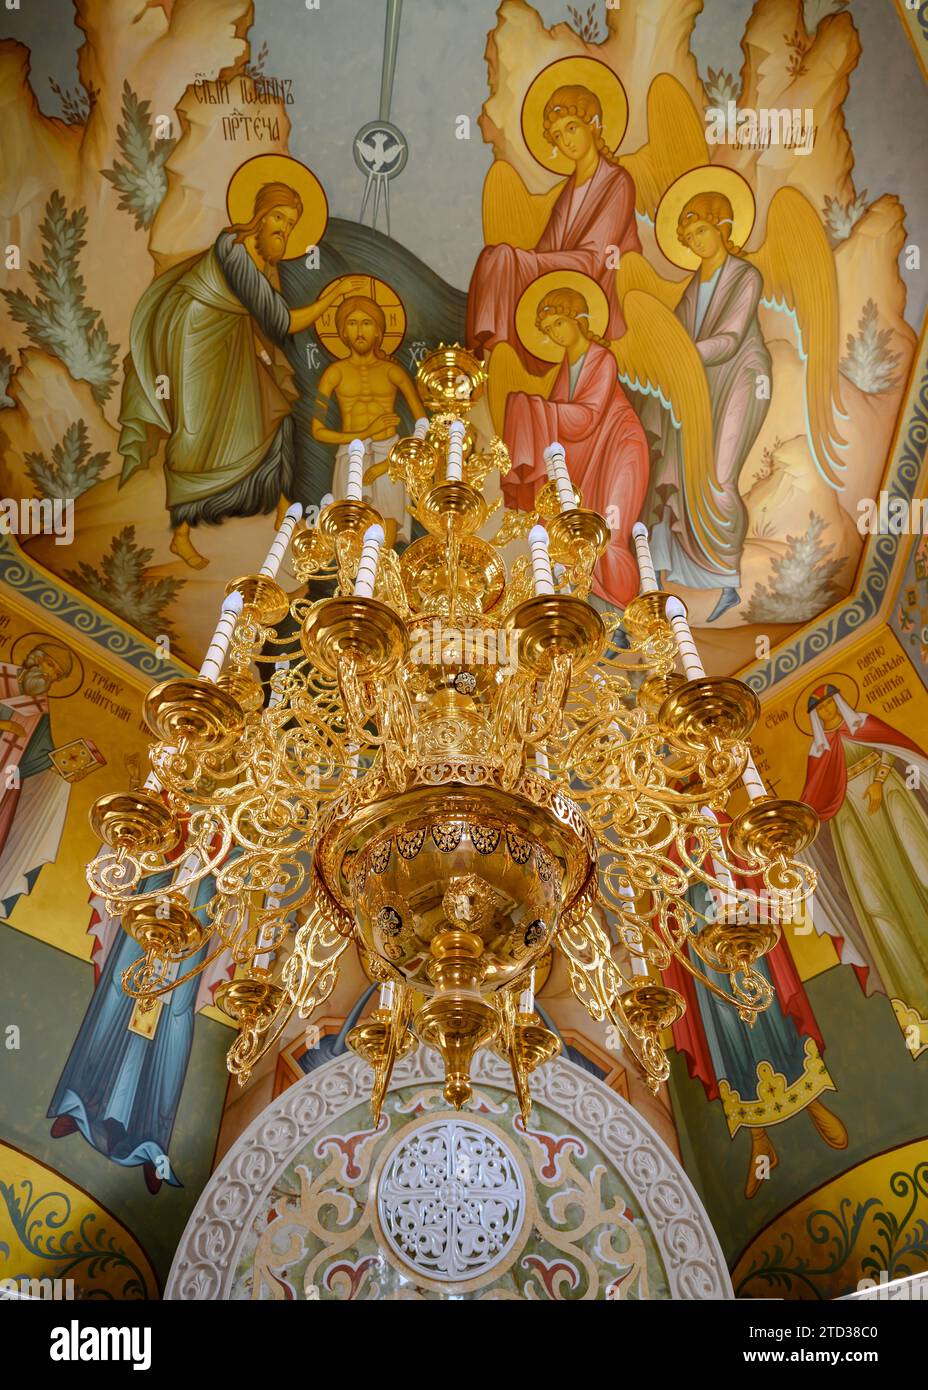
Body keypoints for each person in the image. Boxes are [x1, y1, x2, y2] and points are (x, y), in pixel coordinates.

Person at [117, 179, 366, 568]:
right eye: (278, 218)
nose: (284, 229)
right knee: (196, 435)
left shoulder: (263, 261)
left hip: (231, 338)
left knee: (276, 414)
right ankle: (181, 534)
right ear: (260, 215)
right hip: (195, 337)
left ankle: (286, 514)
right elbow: (279, 319)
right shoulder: (233, 249)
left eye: (291, 224)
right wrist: (330, 298)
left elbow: (266, 318)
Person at [644, 191, 771, 622]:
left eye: (700, 230)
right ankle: (661, 578)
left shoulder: (744, 276)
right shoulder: (692, 289)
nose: (695, 240)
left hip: (740, 378)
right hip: (695, 386)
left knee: (718, 477)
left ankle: (728, 580)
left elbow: (732, 337)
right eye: (688, 235)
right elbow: (673, 337)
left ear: (724, 228)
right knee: (679, 472)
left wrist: (679, 355)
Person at [466, 84, 640, 367]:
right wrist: (523, 261)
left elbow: (596, 258)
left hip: (597, 291)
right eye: (558, 135)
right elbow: (546, 250)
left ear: (594, 125)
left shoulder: (617, 182)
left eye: (572, 128)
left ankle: (497, 352)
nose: (566, 141)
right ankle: (493, 355)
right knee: (495, 256)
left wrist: (521, 261)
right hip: (563, 283)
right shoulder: (567, 192)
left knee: (504, 258)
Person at [501, 285, 649, 608]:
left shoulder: (602, 359)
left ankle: (623, 615)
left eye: (558, 323)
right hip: (585, 461)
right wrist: (533, 410)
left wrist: (534, 408)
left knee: (611, 532)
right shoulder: (565, 371)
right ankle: (590, 615)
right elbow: (557, 437)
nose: (554, 334)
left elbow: (587, 418)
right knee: (572, 533)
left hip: (619, 448)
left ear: (577, 319)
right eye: (548, 329)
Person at [800, 683, 928, 1041]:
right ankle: (914, 991)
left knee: (920, 869)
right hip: (851, 823)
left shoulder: (864, 724)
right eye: (821, 710)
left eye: (830, 705)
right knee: (878, 896)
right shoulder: (818, 751)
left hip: (891, 801)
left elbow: (895, 751)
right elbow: (815, 803)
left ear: (840, 703)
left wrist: (879, 782)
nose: (828, 713)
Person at [311, 295, 425, 547]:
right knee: (350, 529)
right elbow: (318, 430)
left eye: (367, 323)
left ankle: (384, 585)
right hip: (350, 456)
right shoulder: (334, 373)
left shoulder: (392, 371)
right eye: (352, 323)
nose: (360, 330)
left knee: (387, 526)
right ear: (342, 332)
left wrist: (392, 463)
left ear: (378, 331)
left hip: (388, 455)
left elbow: (423, 424)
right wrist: (366, 431)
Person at [0, 642, 74, 916]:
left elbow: (39, 754)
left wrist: (63, 767)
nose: (50, 677)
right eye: (51, 667)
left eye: (56, 675)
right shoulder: (2, 677)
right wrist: (3, 725)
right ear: (35, 658)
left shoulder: (40, 709)